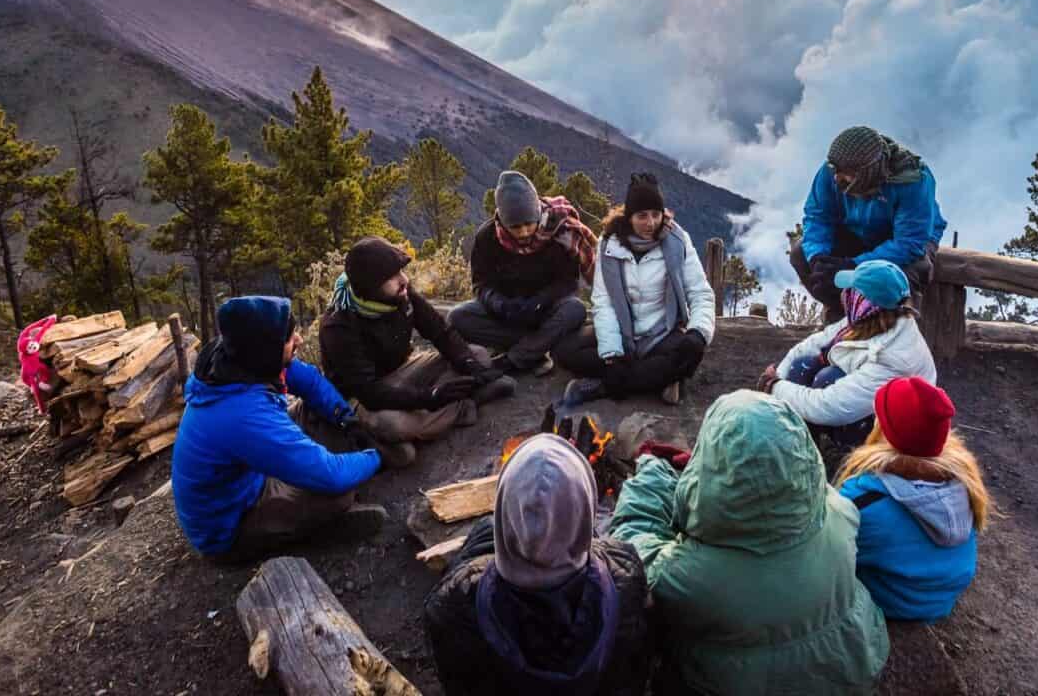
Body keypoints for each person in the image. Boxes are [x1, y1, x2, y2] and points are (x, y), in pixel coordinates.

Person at [607, 390, 889, 696]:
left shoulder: (690, 577)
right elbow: (778, 483)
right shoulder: (841, 513)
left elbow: (632, 550)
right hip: (851, 666)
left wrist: (651, 476)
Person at [422, 433, 651, 696]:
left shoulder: (452, 609)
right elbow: (635, 677)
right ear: (586, 508)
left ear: (503, 504)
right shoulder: (626, 578)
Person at [172, 295, 386, 561]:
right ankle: (316, 531)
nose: (299, 340)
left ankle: (307, 484)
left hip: (245, 475)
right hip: (228, 526)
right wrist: (375, 457)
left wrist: (346, 419)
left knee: (320, 412)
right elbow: (331, 475)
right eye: (289, 338)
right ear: (267, 349)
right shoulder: (242, 415)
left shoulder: (240, 359)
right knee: (338, 494)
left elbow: (308, 381)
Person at [321, 237, 515, 468]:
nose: (404, 279)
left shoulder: (400, 294)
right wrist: (430, 397)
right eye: (392, 276)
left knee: (477, 355)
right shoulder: (339, 326)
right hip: (363, 398)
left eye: (401, 271)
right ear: (371, 287)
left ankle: (427, 422)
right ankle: (461, 407)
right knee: (392, 425)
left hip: (403, 370)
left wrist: (470, 366)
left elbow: (440, 331)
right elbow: (370, 393)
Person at [834, 377, 989, 621]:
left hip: (890, 601)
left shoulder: (863, 497)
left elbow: (832, 552)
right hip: (941, 598)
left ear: (886, 431)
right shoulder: (965, 483)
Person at [559, 173, 715, 407]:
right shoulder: (609, 244)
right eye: (642, 216)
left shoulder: (678, 241)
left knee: (690, 352)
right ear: (629, 216)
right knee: (565, 350)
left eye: (656, 214)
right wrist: (612, 354)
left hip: (662, 334)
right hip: (623, 333)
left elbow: (700, 292)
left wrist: (698, 333)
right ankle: (659, 380)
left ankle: (605, 386)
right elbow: (604, 301)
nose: (650, 223)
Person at [759, 260, 936, 445]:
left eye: (850, 290)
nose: (844, 294)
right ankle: (802, 440)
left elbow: (830, 407)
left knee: (828, 378)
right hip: (867, 405)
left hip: (900, 436)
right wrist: (779, 375)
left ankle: (846, 454)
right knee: (802, 365)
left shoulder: (892, 358)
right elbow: (816, 342)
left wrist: (775, 387)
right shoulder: (877, 317)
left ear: (862, 302)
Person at [792, 125, 948, 321]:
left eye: (845, 173)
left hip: (909, 243)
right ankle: (844, 315)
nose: (837, 178)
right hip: (859, 233)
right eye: (836, 170)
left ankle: (893, 326)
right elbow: (817, 216)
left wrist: (852, 265)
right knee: (800, 254)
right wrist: (818, 258)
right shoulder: (831, 170)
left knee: (904, 275)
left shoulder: (914, 180)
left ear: (866, 171)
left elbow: (909, 244)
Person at [447, 170, 597, 374]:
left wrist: (540, 301)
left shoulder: (559, 233)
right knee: (457, 318)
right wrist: (498, 303)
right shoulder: (487, 237)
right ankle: (535, 348)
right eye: (515, 227)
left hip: (546, 309)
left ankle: (512, 359)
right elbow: (480, 284)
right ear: (503, 222)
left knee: (575, 309)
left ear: (537, 215)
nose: (524, 232)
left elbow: (568, 282)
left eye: (528, 224)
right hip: (506, 312)